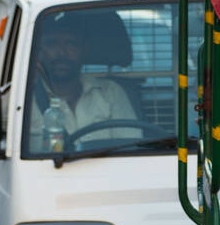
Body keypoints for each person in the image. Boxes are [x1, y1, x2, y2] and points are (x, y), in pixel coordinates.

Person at [27, 13, 139, 150]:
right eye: (52, 44)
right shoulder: (22, 96)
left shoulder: (111, 92)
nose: (62, 52)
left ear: (84, 50)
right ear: (39, 51)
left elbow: (130, 147)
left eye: (71, 44)